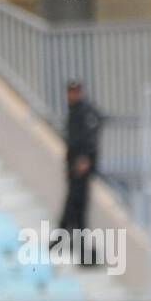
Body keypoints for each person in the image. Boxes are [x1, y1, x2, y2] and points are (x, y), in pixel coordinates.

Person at [55, 80, 101, 264]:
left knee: (76, 212)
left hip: (80, 172)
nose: (72, 95)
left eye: (75, 91)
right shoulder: (74, 111)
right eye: (70, 91)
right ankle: (65, 244)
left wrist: (86, 158)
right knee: (72, 210)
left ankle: (69, 246)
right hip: (73, 170)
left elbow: (89, 136)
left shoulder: (84, 112)